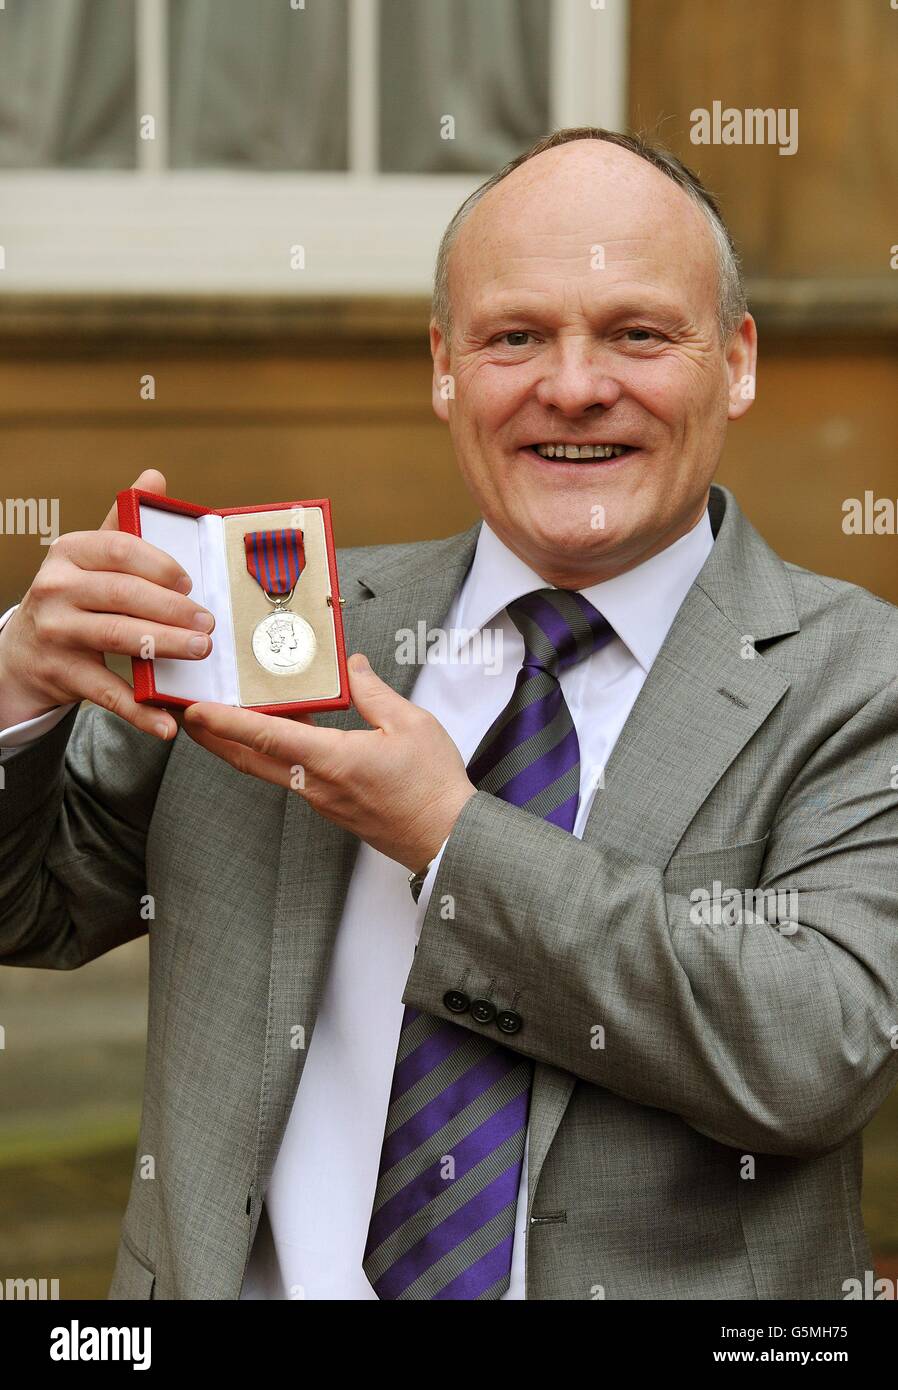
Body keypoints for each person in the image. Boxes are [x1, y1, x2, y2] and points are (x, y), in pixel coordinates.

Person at [1, 128, 896, 1301]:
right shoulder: (280, 622)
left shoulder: (857, 676)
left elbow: (812, 1051)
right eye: (513, 336)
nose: (572, 386)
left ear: (733, 358)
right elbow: (32, 909)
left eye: (635, 331)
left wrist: (449, 837)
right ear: (442, 366)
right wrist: (18, 690)